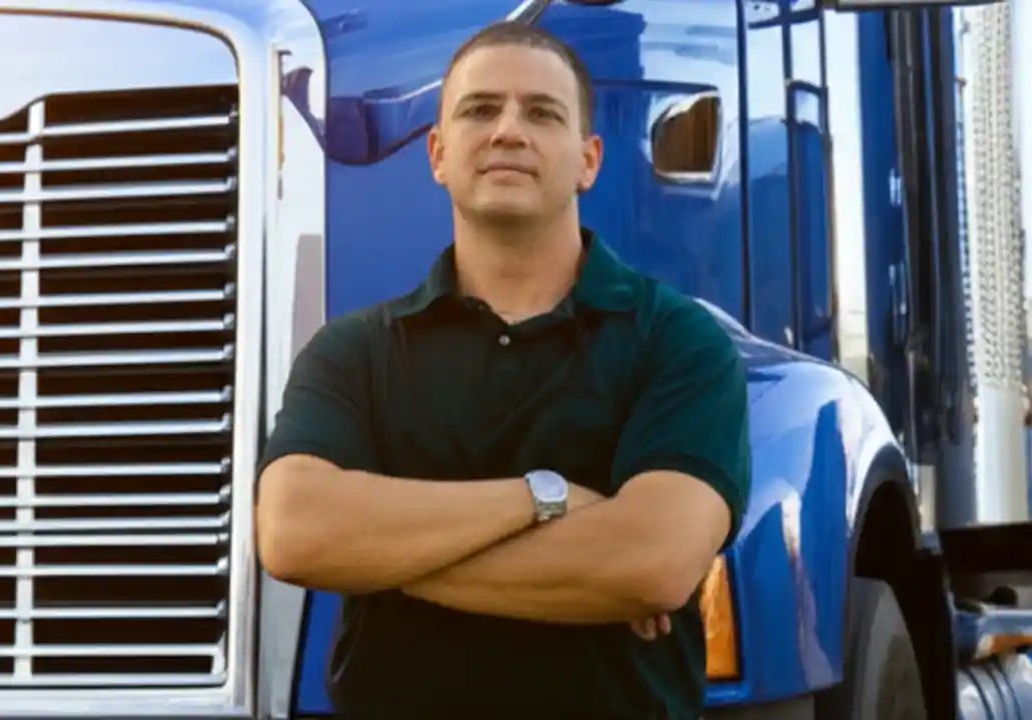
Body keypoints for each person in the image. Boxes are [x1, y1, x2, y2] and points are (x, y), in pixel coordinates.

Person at [255, 20, 749, 720]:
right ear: (438, 153)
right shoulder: (355, 351)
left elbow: (653, 563)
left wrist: (381, 556)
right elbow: (295, 533)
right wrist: (546, 496)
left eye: (542, 113)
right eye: (480, 110)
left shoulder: (678, 343)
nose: (508, 130)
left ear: (589, 160)